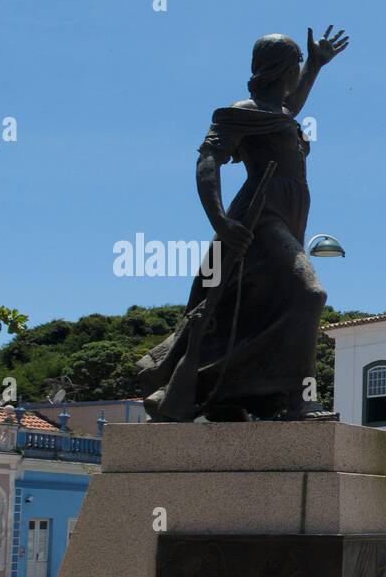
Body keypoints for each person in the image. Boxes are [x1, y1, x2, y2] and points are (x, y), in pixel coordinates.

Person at [138, 26, 350, 422]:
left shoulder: (278, 113)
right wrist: (218, 219)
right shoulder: (240, 112)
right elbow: (207, 160)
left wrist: (317, 67)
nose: (297, 72)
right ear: (280, 69)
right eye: (297, 64)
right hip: (260, 215)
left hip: (290, 215)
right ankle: (299, 398)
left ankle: (236, 393)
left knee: (262, 307)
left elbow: (290, 109)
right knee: (309, 295)